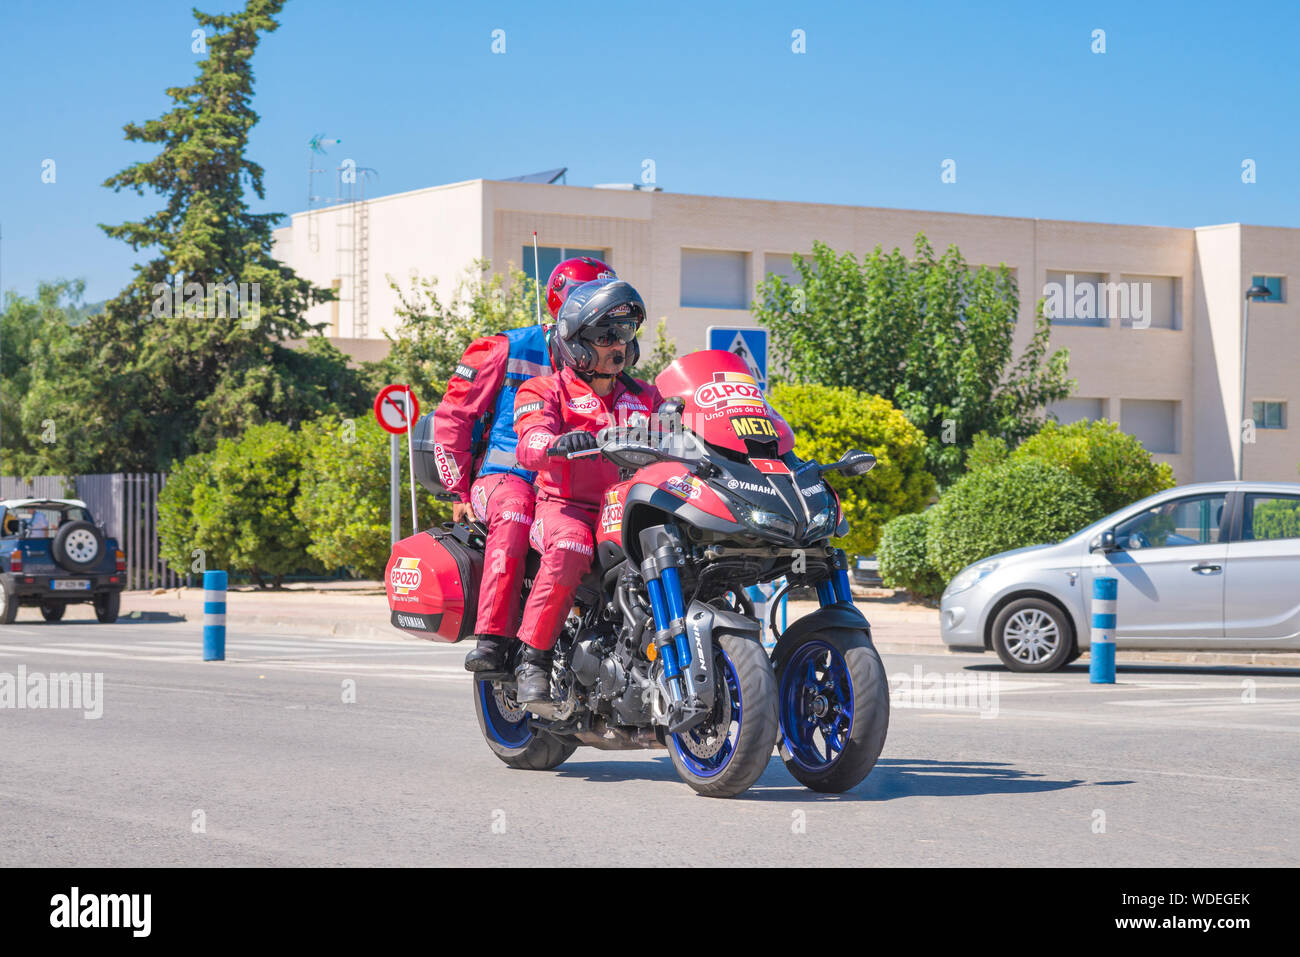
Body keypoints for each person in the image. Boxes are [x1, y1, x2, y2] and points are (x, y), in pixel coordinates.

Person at [426, 256, 618, 673]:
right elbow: (453, 418)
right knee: (514, 512)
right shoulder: (503, 349)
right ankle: (493, 639)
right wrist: (457, 491)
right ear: (562, 305)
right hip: (508, 477)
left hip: (573, 486)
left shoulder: (610, 360)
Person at [511, 278, 664, 702]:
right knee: (571, 548)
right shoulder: (544, 389)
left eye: (626, 332)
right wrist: (557, 443)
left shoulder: (647, 396)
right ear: (575, 342)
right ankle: (533, 660)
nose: (619, 343)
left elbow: (686, 435)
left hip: (631, 510)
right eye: (606, 334)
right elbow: (529, 441)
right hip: (567, 508)